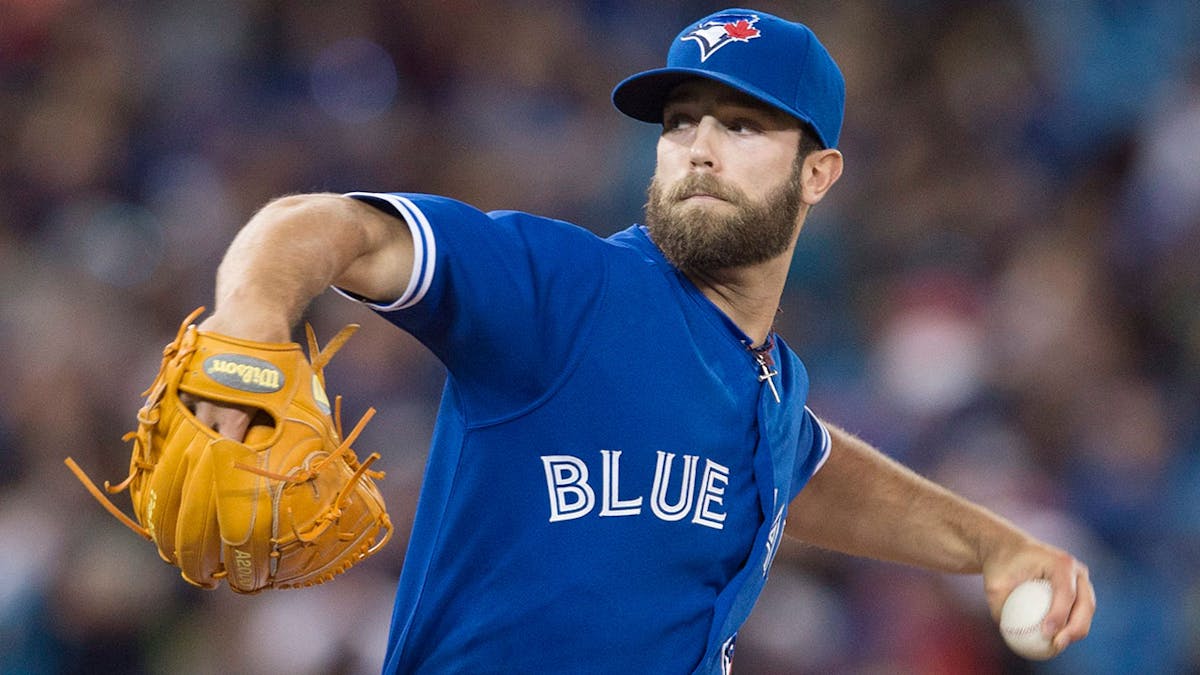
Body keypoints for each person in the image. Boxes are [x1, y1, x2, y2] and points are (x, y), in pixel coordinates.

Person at [191, 8, 1094, 673]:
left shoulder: (771, 388)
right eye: (679, 124)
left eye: (740, 125)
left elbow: (807, 472)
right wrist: (250, 321)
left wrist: (992, 545)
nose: (698, 147)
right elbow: (321, 224)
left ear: (819, 173)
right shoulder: (564, 290)